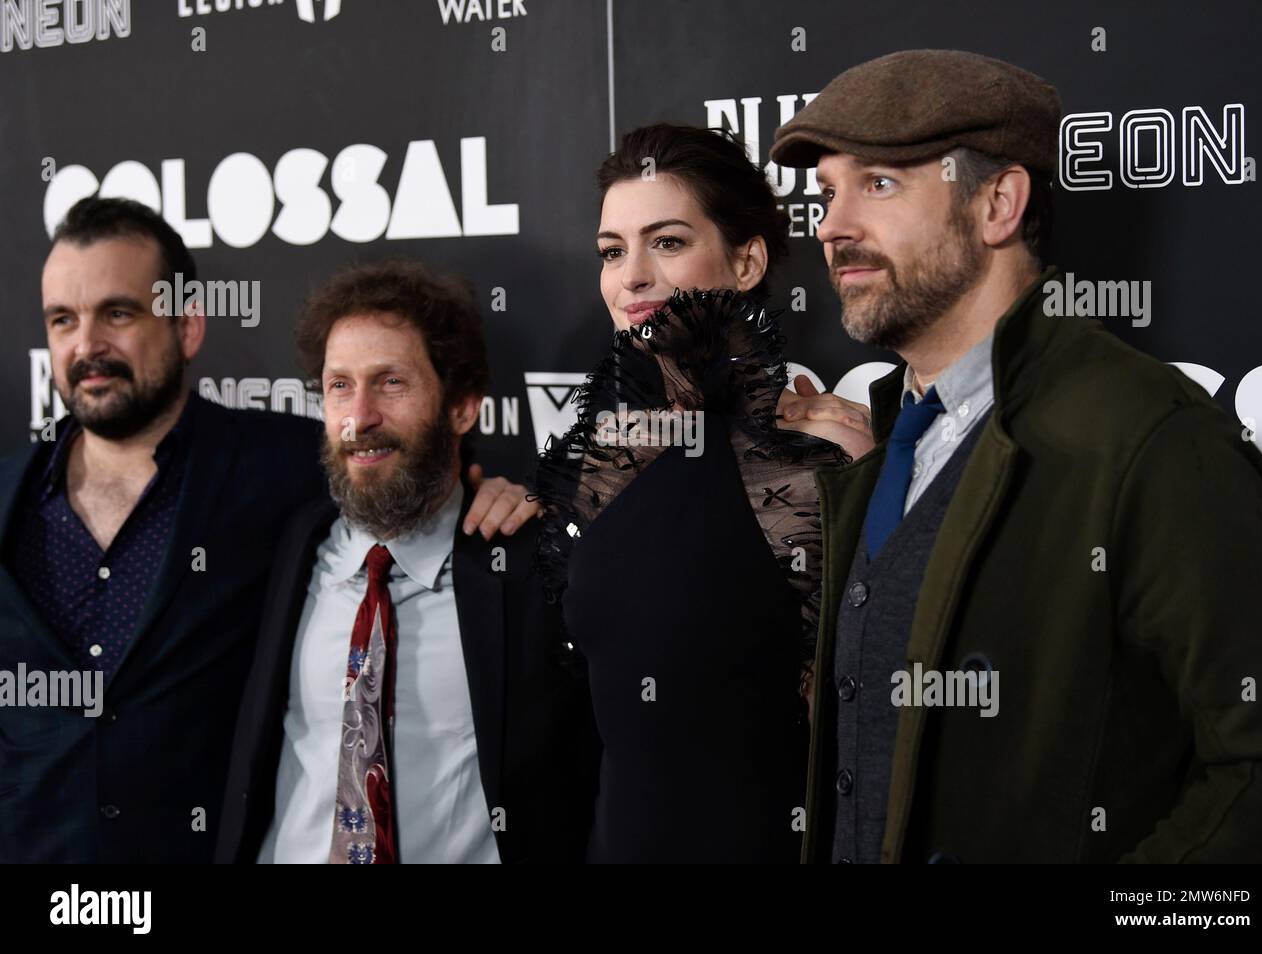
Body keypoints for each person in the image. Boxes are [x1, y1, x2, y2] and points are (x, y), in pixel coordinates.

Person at [769, 48, 1262, 863]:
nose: (831, 226)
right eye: (829, 192)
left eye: (878, 185)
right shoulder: (884, 442)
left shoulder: (1149, 434)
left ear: (998, 205)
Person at [0, 197, 536, 863]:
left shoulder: (284, 470)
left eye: (118, 313)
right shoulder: (8, 497)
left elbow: (396, 471)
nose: (87, 346)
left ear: (189, 327)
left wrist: (494, 493)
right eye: (62, 320)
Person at [533, 124, 869, 863]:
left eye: (669, 242)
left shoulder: (818, 455)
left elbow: (860, 732)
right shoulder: (599, 457)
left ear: (747, 259)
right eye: (613, 252)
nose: (632, 278)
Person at [217, 260, 599, 864]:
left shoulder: (530, 565)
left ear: (462, 408)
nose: (359, 416)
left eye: (390, 382)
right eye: (339, 384)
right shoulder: (290, 544)